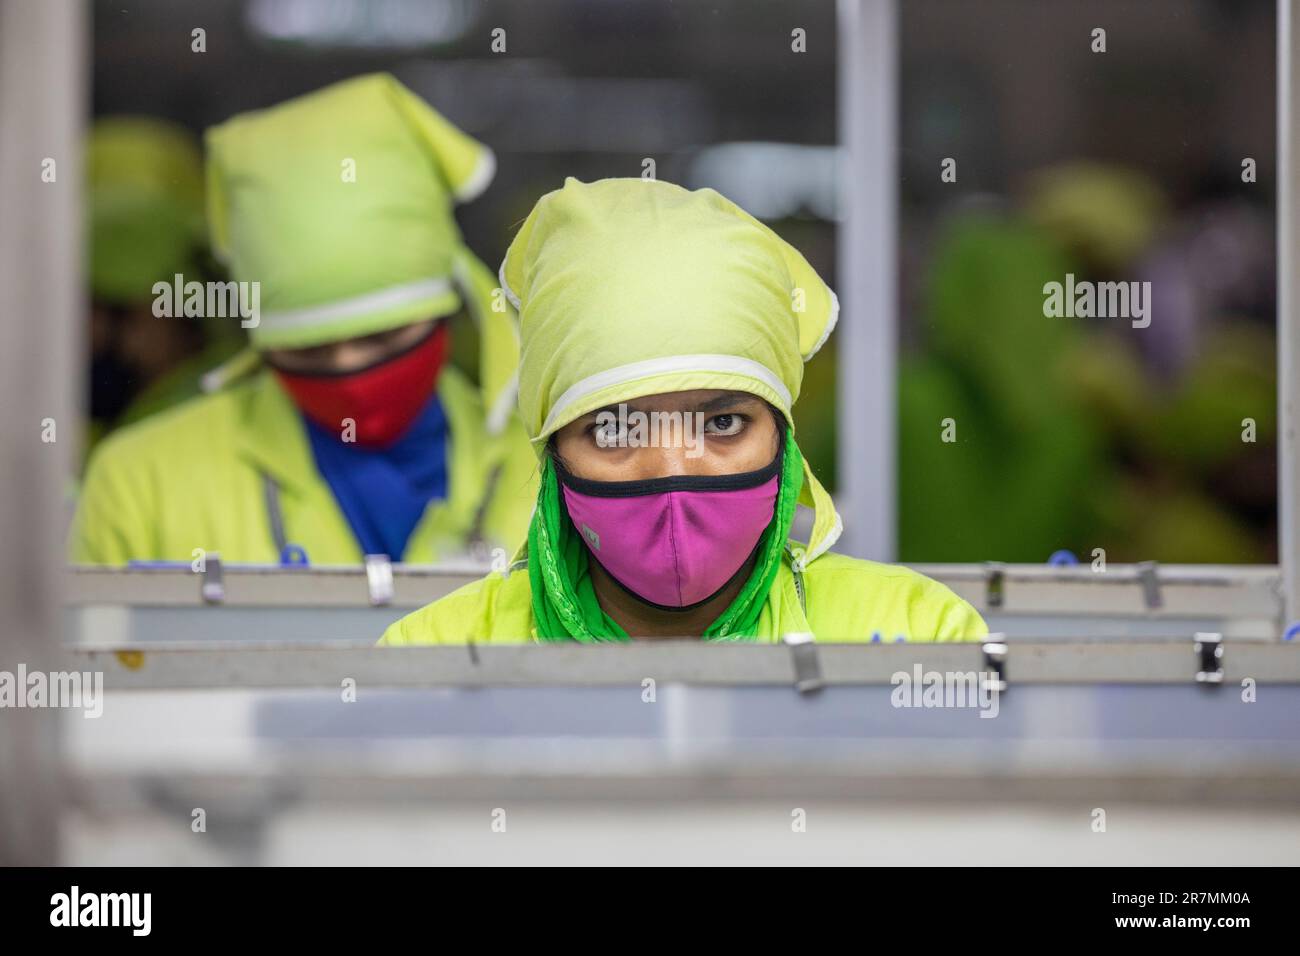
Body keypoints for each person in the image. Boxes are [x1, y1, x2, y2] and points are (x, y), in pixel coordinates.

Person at [380, 178, 987, 643]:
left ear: (784, 438)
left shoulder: (917, 637)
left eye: (722, 423)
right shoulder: (433, 657)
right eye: (616, 427)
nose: (671, 468)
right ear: (550, 448)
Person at [71, 74, 537, 566]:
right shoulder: (141, 482)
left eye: (381, 338)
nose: (348, 368)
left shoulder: (551, 470)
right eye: (308, 348)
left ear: (446, 307)